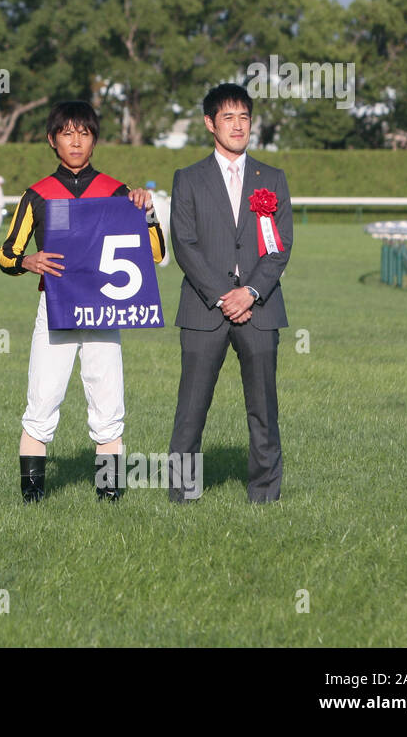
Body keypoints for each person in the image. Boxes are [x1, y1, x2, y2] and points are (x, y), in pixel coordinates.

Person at [0, 101, 164, 502]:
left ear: (95, 140)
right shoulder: (36, 194)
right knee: (42, 398)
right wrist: (29, 261)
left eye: (84, 133)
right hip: (55, 309)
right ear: (52, 140)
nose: (76, 141)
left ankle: (109, 496)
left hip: (105, 311)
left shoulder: (120, 192)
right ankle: (32, 497)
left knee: (108, 404)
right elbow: (6, 256)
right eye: (67, 133)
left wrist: (149, 213)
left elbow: (156, 254)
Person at [167, 83, 292, 504]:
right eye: (228, 117)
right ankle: (183, 495)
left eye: (244, 117)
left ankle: (264, 494)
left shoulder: (272, 179)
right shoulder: (188, 179)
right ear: (209, 123)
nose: (238, 126)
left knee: (263, 410)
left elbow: (280, 246)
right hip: (205, 309)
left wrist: (251, 292)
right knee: (191, 409)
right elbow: (184, 244)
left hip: (261, 309)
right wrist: (225, 295)